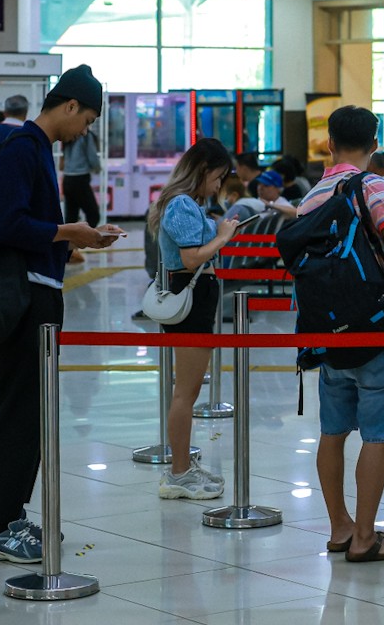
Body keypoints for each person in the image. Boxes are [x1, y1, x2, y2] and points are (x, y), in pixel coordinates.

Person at [0, 65, 124, 563]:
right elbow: (10, 224)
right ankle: (0, 524)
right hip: (22, 299)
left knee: (32, 410)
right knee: (17, 409)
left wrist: (80, 237)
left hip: (40, 291)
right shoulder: (23, 148)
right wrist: (70, 233)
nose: (84, 129)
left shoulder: (38, 150)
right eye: (85, 119)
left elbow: (32, 225)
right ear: (68, 107)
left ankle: (13, 515)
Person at [296, 105, 384, 562]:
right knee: (377, 433)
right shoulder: (372, 186)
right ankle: (365, 537)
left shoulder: (312, 195)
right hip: (373, 329)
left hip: (326, 332)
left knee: (333, 431)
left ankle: (340, 527)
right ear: (375, 144)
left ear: (329, 144)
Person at [148, 138, 237, 501]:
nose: (218, 186)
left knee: (190, 388)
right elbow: (189, 259)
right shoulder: (181, 204)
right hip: (191, 298)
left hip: (197, 298)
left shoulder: (188, 204)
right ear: (202, 171)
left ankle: (183, 466)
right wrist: (223, 237)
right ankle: (178, 472)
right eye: (217, 178)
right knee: (185, 391)